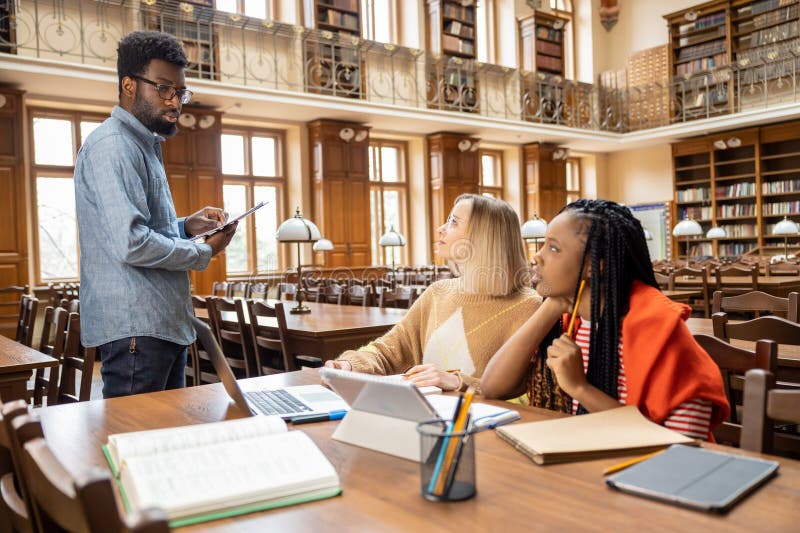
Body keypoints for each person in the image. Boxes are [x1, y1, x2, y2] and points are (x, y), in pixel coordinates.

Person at [74, 31, 237, 398]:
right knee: (136, 447)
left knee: (163, 446)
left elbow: (147, 230)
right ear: (129, 85)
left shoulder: (143, 144)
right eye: (164, 89)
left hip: (160, 325)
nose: (175, 101)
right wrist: (203, 251)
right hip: (138, 332)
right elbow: (132, 244)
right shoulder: (114, 146)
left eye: (180, 92)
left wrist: (186, 226)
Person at [481, 199, 729, 440]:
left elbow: (680, 447)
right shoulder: (570, 320)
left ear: (593, 266)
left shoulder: (658, 330)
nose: (537, 257)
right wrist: (552, 306)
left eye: (553, 248)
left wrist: (581, 388)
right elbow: (493, 388)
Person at [324, 194, 541, 392]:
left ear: (484, 236)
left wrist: (458, 382)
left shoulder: (529, 306)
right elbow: (389, 350)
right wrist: (350, 365)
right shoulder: (437, 293)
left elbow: (523, 390)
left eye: (453, 222)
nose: (440, 229)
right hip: (421, 419)